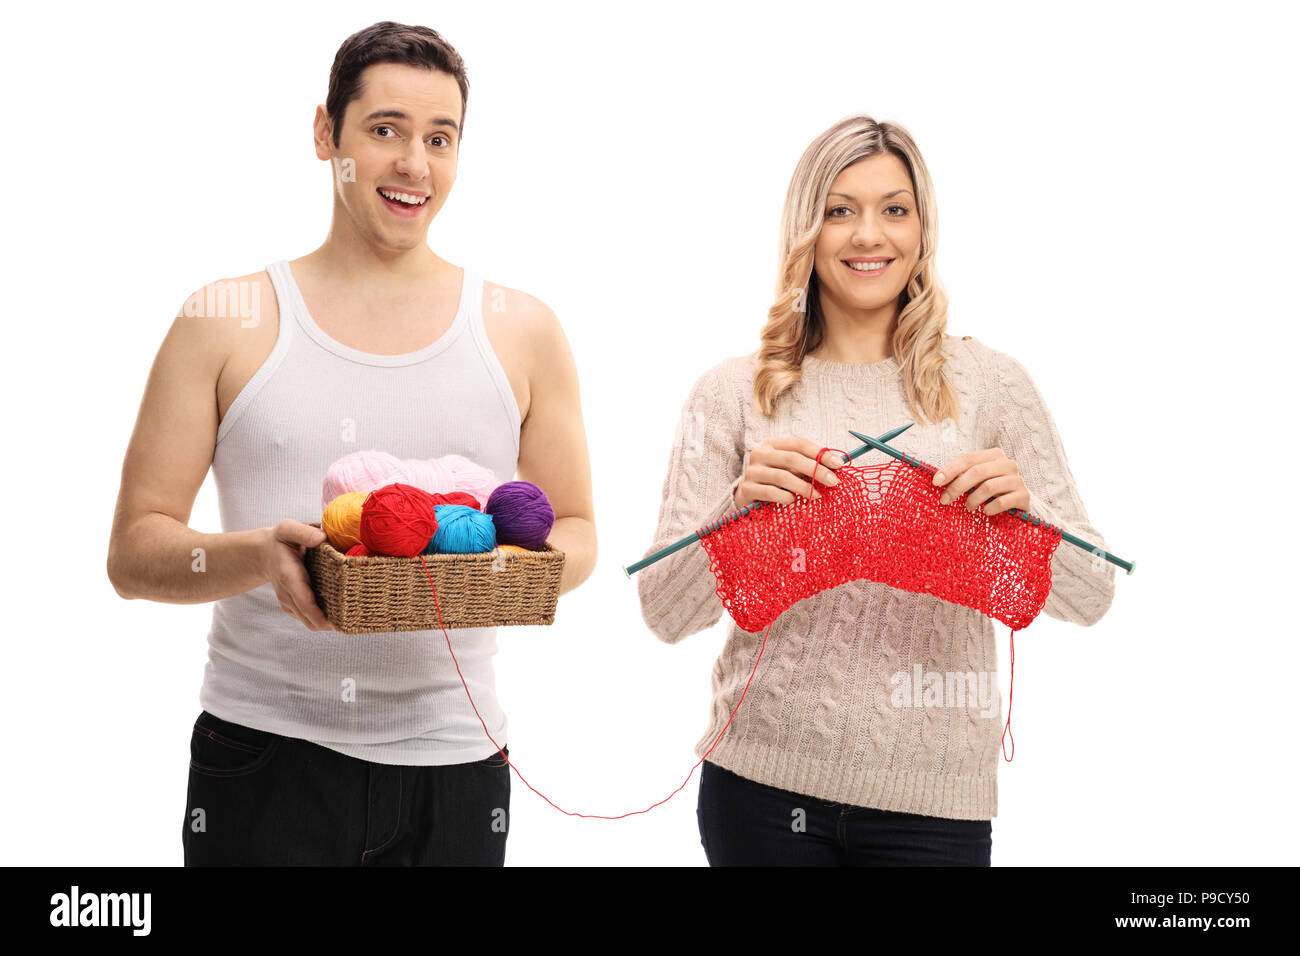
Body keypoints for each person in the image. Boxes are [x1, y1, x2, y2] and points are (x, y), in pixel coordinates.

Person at [106, 21, 596, 866]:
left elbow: (578, 533)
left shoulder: (523, 331)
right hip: (263, 757)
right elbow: (135, 552)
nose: (415, 164)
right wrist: (261, 555)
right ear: (326, 134)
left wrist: (491, 576)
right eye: (385, 131)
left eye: (440, 138)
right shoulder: (225, 322)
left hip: (459, 768)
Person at [635, 115, 1115, 866]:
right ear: (806, 229)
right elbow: (663, 611)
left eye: (895, 209)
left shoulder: (989, 385)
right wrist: (738, 516)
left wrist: (1031, 516)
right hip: (761, 788)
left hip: (935, 804)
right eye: (839, 210)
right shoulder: (731, 394)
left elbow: (1093, 594)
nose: (868, 235)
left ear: (923, 230)